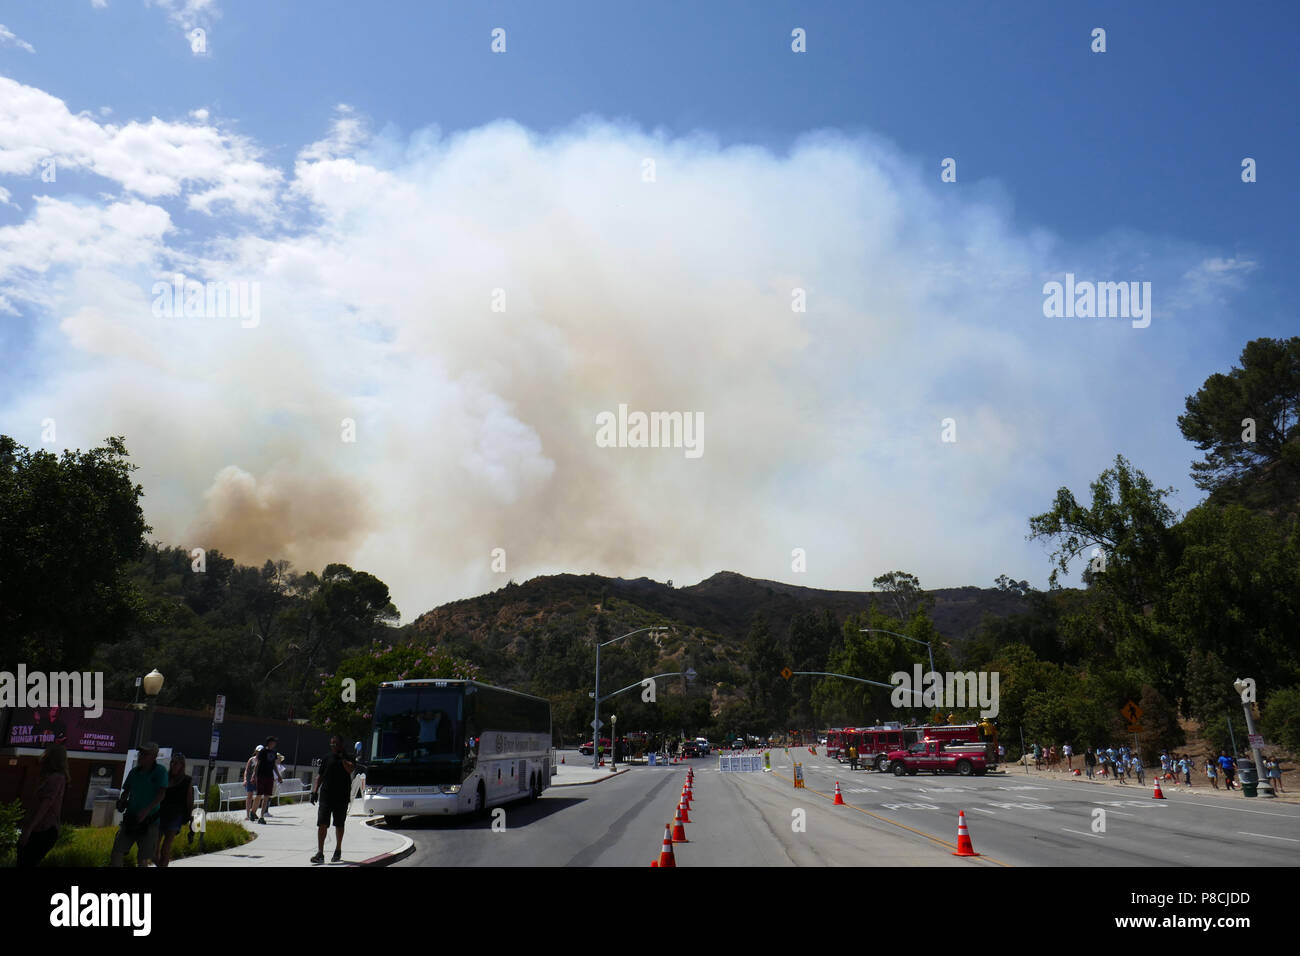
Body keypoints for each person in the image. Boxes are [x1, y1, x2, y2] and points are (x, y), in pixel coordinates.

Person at [111, 742, 168, 866]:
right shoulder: (134, 772)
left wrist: (146, 810)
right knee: (117, 851)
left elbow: (161, 794)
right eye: (140, 753)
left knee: (143, 858)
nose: (140, 756)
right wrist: (122, 801)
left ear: (153, 756)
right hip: (131, 819)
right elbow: (126, 791)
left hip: (149, 822)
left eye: (145, 754)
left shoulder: (160, 771)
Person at [18, 743, 69, 868]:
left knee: (26, 862)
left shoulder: (57, 778)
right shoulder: (49, 777)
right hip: (39, 828)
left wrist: (30, 828)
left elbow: (46, 804)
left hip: (44, 829)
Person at [310, 735, 356, 864]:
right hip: (326, 796)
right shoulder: (326, 757)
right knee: (322, 823)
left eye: (335, 743)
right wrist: (314, 791)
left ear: (341, 744)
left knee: (339, 824)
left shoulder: (349, 757)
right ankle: (320, 853)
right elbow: (319, 775)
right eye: (331, 744)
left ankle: (338, 850)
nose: (333, 746)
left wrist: (342, 759)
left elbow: (350, 769)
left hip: (341, 797)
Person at [156, 751, 194, 867]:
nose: (173, 765)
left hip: (175, 816)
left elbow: (189, 800)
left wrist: (191, 819)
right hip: (160, 814)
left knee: (165, 848)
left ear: (182, 765)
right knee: (153, 850)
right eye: (172, 762)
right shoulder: (164, 777)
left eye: (176, 763)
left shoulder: (187, 780)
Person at [253, 736, 281, 823]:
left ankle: (262, 816)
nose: (275, 743)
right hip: (261, 775)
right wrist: (254, 775)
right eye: (273, 742)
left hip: (270, 776)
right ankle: (253, 812)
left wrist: (278, 776)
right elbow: (258, 763)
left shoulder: (274, 752)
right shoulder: (263, 751)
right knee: (259, 795)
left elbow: (274, 765)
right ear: (269, 743)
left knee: (266, 796)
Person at [243, 746, 261, 821]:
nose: (259, 753)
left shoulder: (263, 760)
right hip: (250, 780)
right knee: (249, 796)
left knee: (258, 796)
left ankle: (253, 812)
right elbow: (246, 770)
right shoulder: (251, 759)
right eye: (258, 751)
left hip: (259, 781)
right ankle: (247, 815)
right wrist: (245, 780)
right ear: (255, 751)